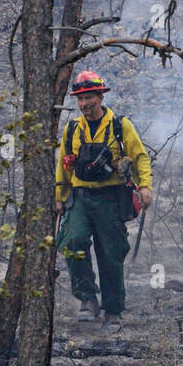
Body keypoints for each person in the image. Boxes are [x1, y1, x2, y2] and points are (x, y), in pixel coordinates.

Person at [55, 70, 152, 325]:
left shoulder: (120, 126)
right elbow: (63, 165)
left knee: (110, 253)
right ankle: (87, 298)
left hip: (110, 199)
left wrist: (145, 187)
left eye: (89, 97)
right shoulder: (72, 129)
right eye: (80, 98)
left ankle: (113, 310)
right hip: (80, 198)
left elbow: (140, 156)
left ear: (100, 96)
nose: (84, 104)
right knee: (73, 241)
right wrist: (59, 196)